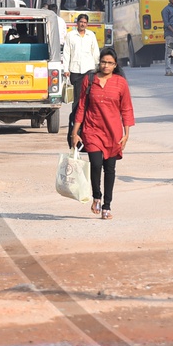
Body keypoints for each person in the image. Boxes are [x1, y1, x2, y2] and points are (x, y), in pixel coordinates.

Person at [69, 48, 134, 220]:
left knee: (110, 169)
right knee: (96, 164)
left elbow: (126, 109)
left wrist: (126, 134)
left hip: (113, 132)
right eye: (104, 62)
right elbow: (81, 107)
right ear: (99, 63)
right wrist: (75, 132)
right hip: (92, 130)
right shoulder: (89, 80)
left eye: (110, 63)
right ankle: (96, 197)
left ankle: (107, 206)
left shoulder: (121, 83)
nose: (106, 66)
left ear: (115, 65)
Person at [62, 13, 101, 105]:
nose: (83, 24)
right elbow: (66, 53)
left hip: (89, 69)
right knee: (77, 98)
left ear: (87, 24)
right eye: (81, 22)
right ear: (77, 23)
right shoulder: (70, 35)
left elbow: (95, 51)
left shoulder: (91, 35)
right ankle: (75, 114)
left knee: (89, 96)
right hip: (75, 70)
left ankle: (86, 114)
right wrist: (66, 69)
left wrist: (98, 67)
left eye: (85, 22)